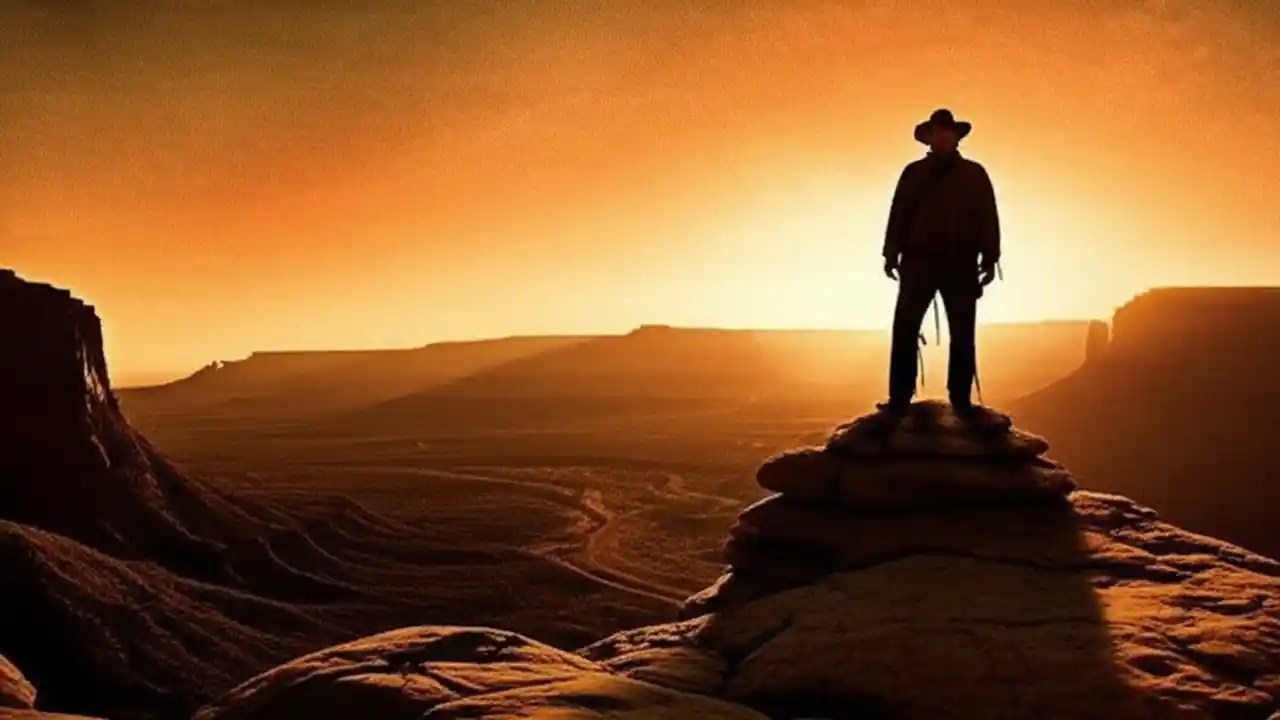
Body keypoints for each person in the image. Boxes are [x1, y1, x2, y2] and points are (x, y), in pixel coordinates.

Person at [879, 108, 1001, 415]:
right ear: (930, 137)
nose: (943, 135)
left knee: (962, 330)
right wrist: (890, 252)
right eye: (938, 131)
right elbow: (899, 213)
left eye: (947, 130)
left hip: (960, 262)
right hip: (918, 262)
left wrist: (990, 257)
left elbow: (987, 215)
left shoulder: (974, 174)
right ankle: (900, 396)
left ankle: (960, 396)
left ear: (955, 136)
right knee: (905, 326)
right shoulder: (913, 173)